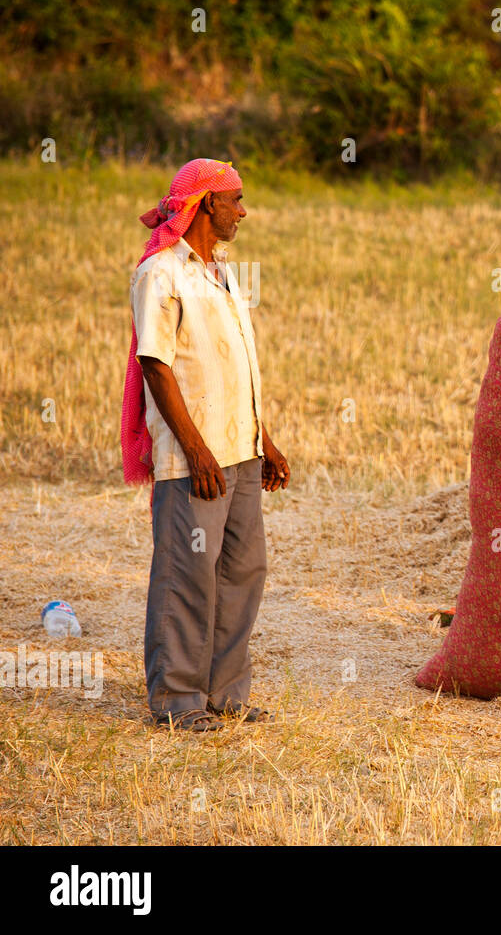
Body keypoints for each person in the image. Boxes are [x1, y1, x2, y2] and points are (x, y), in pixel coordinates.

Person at [121, 158, 290, 732]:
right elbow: (156, 365)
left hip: (239, 450)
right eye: (235, 199)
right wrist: (195, 450)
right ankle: (176, 700)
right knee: (186, 571)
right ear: (205, 205)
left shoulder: (221, 272)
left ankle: (225, 694)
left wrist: (265, 440)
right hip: (195, 457)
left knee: (244, 569)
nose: (244, 211)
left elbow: (235, 367)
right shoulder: (160, 273)